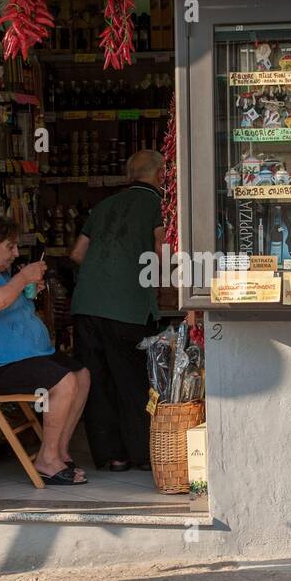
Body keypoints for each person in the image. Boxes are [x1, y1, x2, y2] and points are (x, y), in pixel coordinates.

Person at [0, 215, 90, 486]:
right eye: (9, 246)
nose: (15, 253)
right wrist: (23, 278)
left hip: (21, 357)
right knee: (63, 382)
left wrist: (26, 291)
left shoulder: (0, 274)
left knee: (81, 375)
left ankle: (58, 451)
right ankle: (47, 460)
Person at [69, 149, 165, 471]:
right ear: (161, 174)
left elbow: (78, 253)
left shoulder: (104, 205)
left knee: (96, 380)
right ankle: (139, 455)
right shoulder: (158, 205)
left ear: (129, 175)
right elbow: (161, 256)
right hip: (128, 308)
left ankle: (110, 455)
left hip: (86, 306)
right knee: (132, 381)